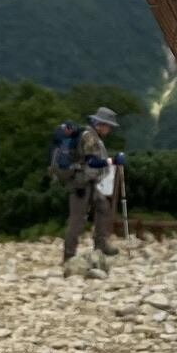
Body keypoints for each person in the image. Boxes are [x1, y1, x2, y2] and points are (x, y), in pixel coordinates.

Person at [61, 106, 124, 263]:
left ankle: (101, 244)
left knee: (103, 207)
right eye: (108, 126)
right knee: (78, 219)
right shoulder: (89, 137)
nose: (109, 129)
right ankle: (69, 256)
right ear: (101, 124)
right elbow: (92, 162)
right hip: (80, 183)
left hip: (89, 182)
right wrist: (113, 160)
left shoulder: (93, 137)